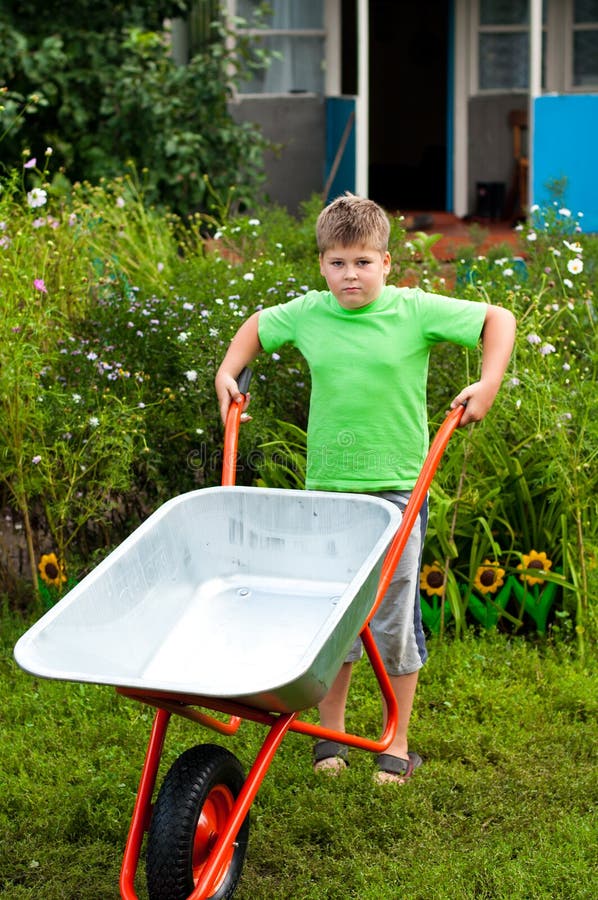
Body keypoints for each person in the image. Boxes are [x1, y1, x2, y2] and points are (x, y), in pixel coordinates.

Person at [215, 193, 516, 784]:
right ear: (321, 264)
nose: (349, 276)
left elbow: (496, 319)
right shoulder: (309, 313)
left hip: (399, 491)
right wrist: (228, 372)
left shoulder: (412, 310)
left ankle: (396, 741)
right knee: (336, 616)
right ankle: (332, 740)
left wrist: (488, 384)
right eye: (336, 263)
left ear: (386, 261)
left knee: (391, 616)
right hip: (328, 492)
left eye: (362, 263)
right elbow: (255, 327)